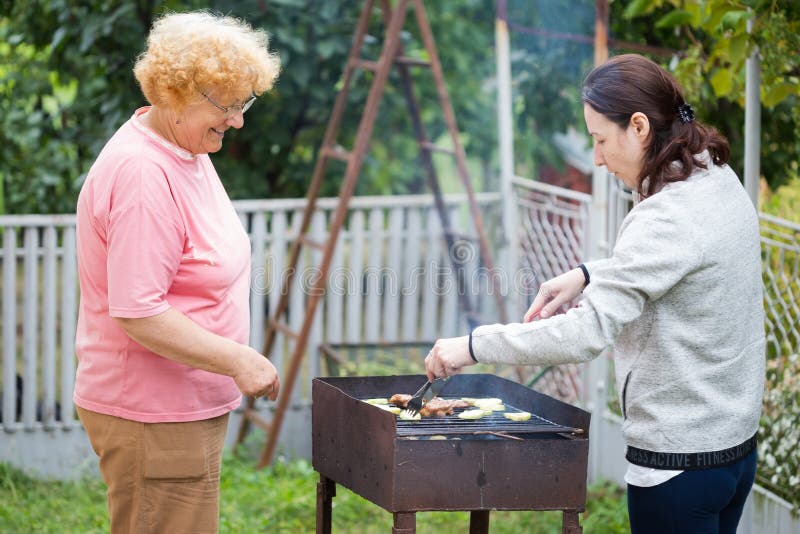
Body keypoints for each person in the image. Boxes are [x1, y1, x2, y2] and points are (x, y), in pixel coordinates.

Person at [425, 54, 765, 534]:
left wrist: (474, 345)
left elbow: (587, 332)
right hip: (734, 452)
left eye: (601, 139)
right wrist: (588, 274)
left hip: (677, 468)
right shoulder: (712, 176)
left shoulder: (664, 214)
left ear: (640, 126)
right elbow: (685, 261)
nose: (597, 158)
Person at [73, 11, 281, 533]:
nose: (238, 120)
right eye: (228, 104)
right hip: (152, 411)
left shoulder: (183, 148)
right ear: (174, 92)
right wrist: (238, 359)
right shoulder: (144, 173)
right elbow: (138, 309)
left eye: (243, 102)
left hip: (180, 405)